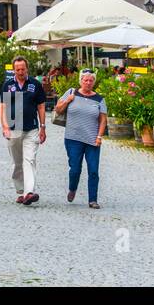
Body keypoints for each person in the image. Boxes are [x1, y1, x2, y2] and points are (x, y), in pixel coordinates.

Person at [55, 69, 108, 209]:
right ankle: (72, 188)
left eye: (91, 80)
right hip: (73, 138)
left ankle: (93, 200)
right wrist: (68, 100)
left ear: (94, 82)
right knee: (75, 169)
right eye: (85, 80)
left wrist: (99, 136)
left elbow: (103, 120)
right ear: (80, 81)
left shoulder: (100, 99)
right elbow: (58, 109)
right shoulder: (72, 92)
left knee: (93, 170)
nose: (88, 83)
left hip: (92, 140)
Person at [0, 56, 46, 205]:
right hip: (13, 130)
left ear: (27, 69)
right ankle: (20, 191)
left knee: (29, 160)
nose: (20, 72)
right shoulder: (8, 85)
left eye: (23, 69)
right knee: (17, 163)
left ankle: (29, 192)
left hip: (31, 129)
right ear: (14, 70)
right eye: (17, 69)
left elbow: (41, 106)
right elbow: (3, 107)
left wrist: (43, 127)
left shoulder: (35, 84)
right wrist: (5, 126)